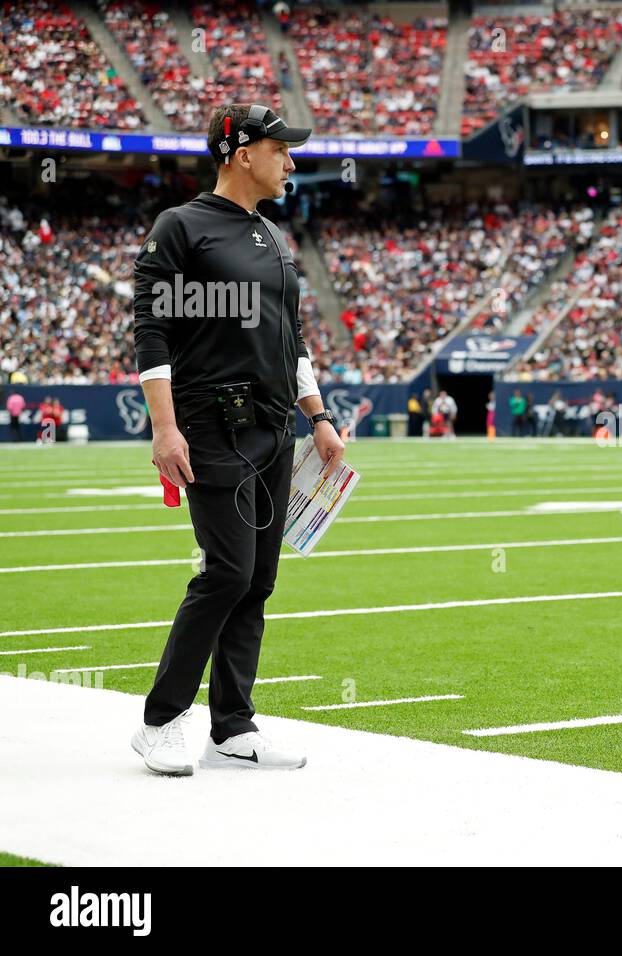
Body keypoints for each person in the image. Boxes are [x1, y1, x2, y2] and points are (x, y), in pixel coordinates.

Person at [131, 103, 344, 776]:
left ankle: (233, 725)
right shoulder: (182, 227)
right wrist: (164, 429)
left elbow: (293, 340)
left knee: (259, 580)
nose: (292, 161)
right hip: (209, 423)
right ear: (242, 152)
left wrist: (318, 416)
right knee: (227, 571)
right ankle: (162, 719)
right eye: (282, 149)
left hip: (276, 427)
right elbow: (153, 333)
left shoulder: (273, 237)